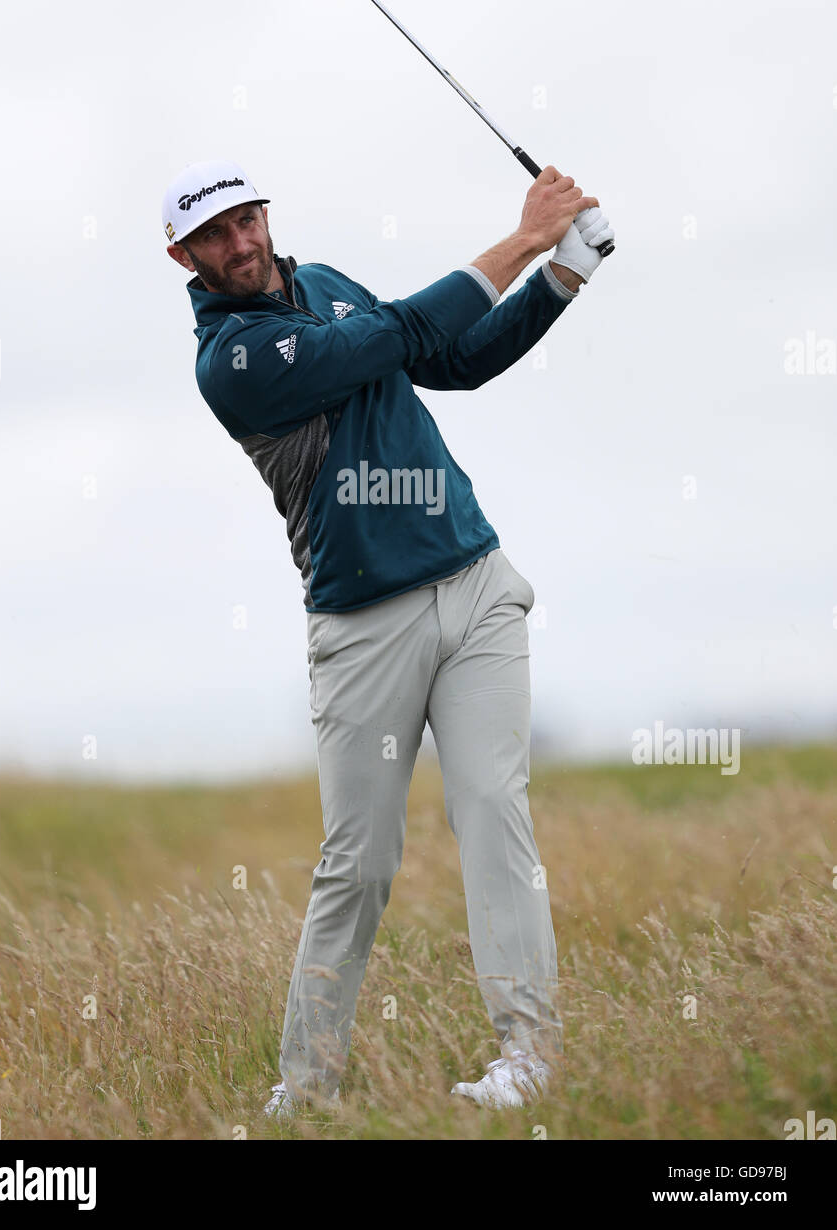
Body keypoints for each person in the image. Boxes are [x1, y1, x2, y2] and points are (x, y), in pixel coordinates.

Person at [162, 158, 614, 1115]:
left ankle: (529, 1057)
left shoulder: (322, 284)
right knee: (359, 861)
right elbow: (407, 329)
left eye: (248, 219)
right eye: (215, 235)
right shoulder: (233, 361)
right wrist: (527, 236)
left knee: (495, 808)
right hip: (364, 626)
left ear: (264, 214)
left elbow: (454, 358)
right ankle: (308, 1085)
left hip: (477, 582)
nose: (241, 243)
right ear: (184, 257)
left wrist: (562, 277)